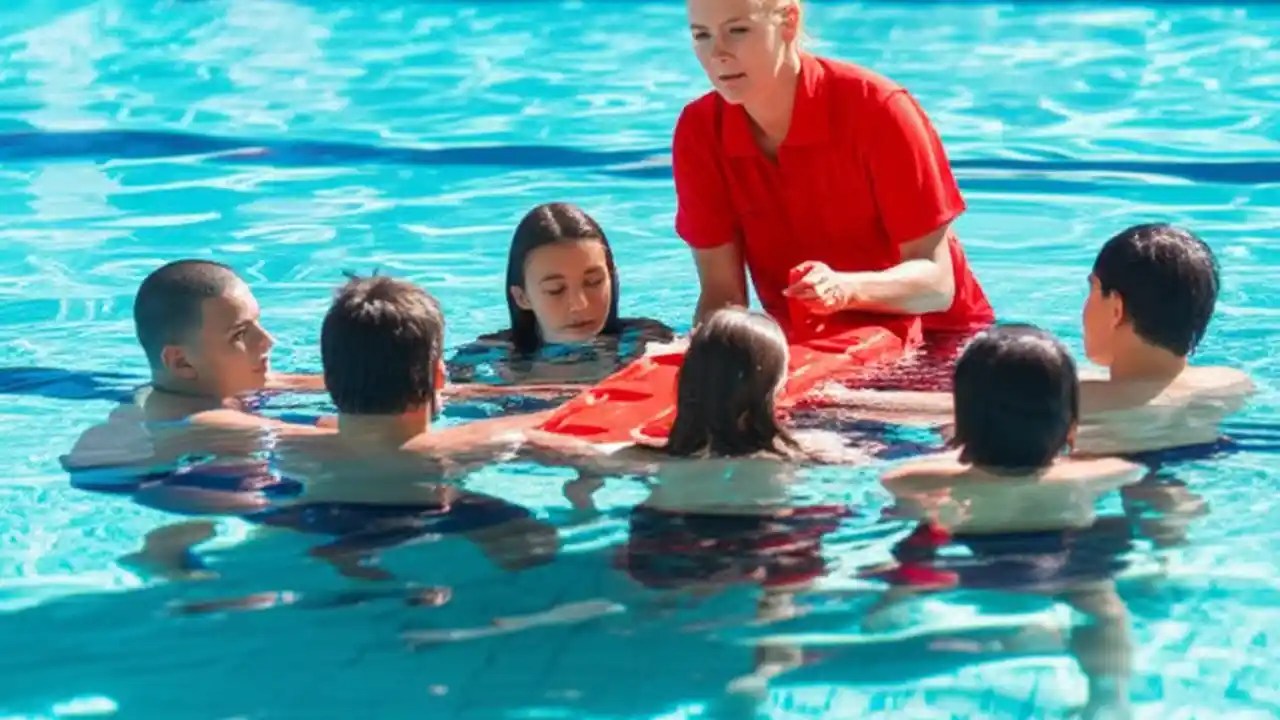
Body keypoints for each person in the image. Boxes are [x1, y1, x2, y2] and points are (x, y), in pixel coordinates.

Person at [525, 308, 868, 696]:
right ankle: (768, 668)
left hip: (667, 547)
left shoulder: (649, 456)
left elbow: (579, 456)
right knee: (781, 595)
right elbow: (858, 464)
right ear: (771, 389)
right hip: (762, 543)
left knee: (639, 582)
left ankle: (636, 627)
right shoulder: (802, 450)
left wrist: (581, 501)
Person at [127, 275, 560, 581]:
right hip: (432, 510)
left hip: (313, 518)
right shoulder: (469, 442)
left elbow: (202, 424)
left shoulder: (295, 441)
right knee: (532, 542)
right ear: (439, 378)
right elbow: (559, 436)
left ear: (330, 381)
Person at [868, 324, 1143, 719]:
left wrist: (951, 459)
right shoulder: (1086, 475)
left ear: (962, 425)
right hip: (1059, 567)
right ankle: (1108, 695)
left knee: (922, 538)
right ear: (1070, 427)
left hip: (966, 564)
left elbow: (892, 480)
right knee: (1105, 607)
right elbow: (1128, 473)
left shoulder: (933, 477)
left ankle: (895, 601)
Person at [673, 0, 994, 337]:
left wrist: (845, 289)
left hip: (943, 341)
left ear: (789, 22)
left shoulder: (879, 110)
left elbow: (938, 284)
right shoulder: (700, 131)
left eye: (737, 30)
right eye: (702, 35)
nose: (717, 53)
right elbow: (722, 296)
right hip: (811, 350)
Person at [815, 223, 1256, 456]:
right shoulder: (1231, 384)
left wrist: (837, 398)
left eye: (1090, 290)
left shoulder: (1080, 397)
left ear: (1116, 308)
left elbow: (952, 407)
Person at [447, 202, 675, 387]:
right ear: (522, 297)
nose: (579, 304)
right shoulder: (481, 359)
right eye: (555, 290)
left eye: (593, 282)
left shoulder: (649, 341)